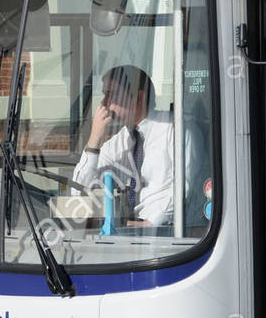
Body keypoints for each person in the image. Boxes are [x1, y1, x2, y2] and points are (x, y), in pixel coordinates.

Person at [72, 64, 202, 228]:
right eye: (104, 95)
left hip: (169, 230)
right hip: (131, 232)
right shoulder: (120, 141)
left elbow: (185, 187)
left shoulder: (176, 129)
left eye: (111, 95)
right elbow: (79, 192)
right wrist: (94, 140)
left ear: (138, 98)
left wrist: (152, 223)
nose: (103, 104)